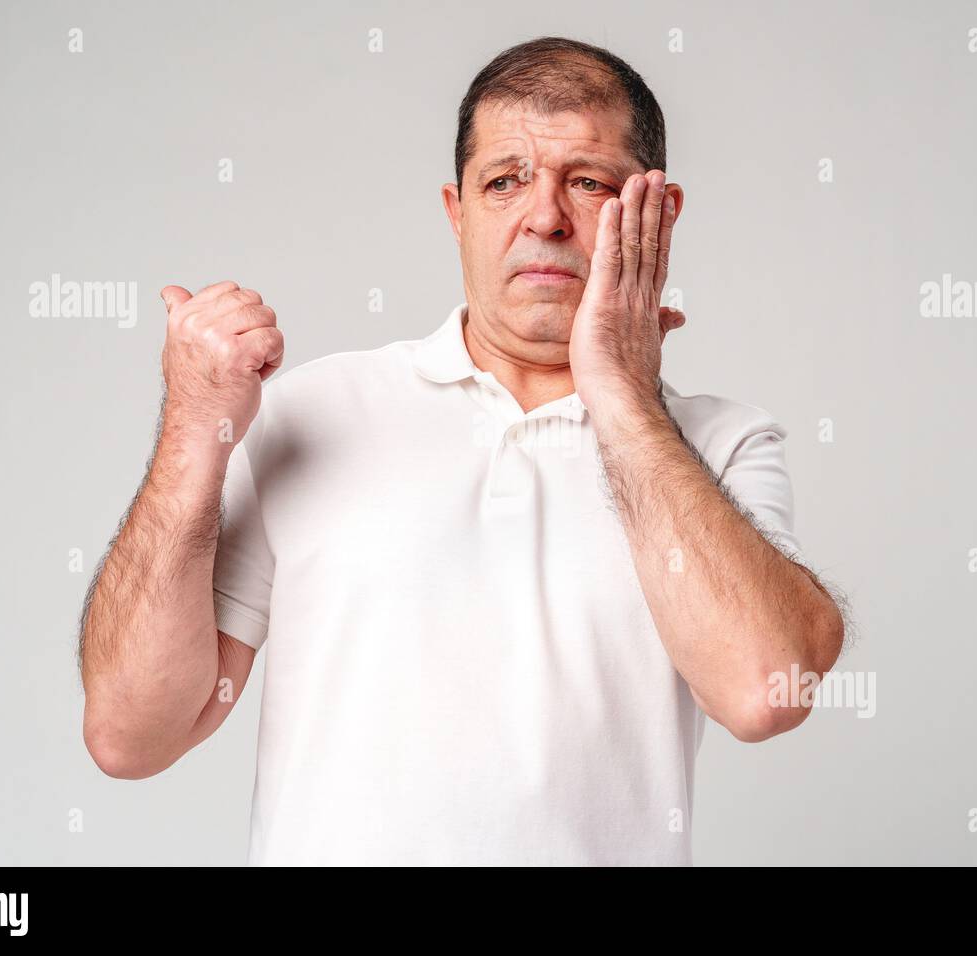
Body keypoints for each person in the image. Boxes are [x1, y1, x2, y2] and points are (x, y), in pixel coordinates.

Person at [79, 36, 845, 866]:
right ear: (458, 211)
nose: (544, 216)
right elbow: (130, 736)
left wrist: (621, 395)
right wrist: (194, 430)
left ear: (659, 212)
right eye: (504, 181)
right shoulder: (311, 413)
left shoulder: (721, 445)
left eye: (588, 183)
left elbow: (767, 693)